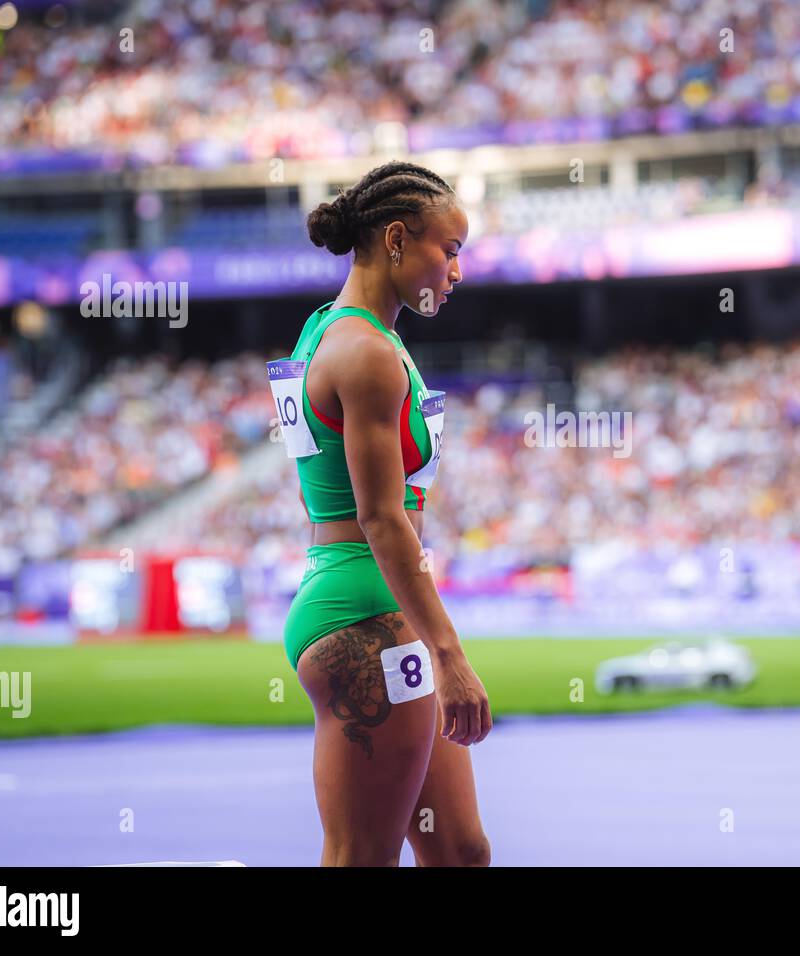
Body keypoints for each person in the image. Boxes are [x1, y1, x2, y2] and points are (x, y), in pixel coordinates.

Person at [269, 160, 491, 866]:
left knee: (460, 852)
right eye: (448, 250)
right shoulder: (366, 354)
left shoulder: (333, 330)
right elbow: (382, 518)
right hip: (363, 615)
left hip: (370, 608)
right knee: (362, 856)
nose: (456, 271)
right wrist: (449, 653)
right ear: (396, 239)